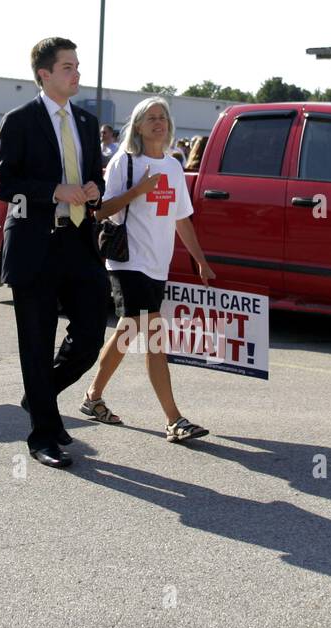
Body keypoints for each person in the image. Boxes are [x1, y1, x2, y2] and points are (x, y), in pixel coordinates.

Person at [0, 36, 108, 469]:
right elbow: (1, 182)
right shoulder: (19, 120)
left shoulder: (86, 120)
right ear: (44, 74)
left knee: (91, 334)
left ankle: (39, 396)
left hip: (79, 241)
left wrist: (95, 189)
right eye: (67, 67)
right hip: (36, 244)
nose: (76, 73)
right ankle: (43, 434)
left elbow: (94, 177)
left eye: (77, 66)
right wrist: (53, 191)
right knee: (36, 343)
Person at [81, 97, 217, 443]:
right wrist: (137, 190)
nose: (159, 123)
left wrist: (200, 259)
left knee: (127, 333)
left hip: (158, 265)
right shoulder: (123, 163)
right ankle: (174, 419)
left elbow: (181, 218)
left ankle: (92, 397)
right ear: (138, 125)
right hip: (128, 261)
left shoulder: (173, 166)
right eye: (151, 118)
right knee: (155, 337)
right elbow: (100, 211)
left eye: (163, 118)